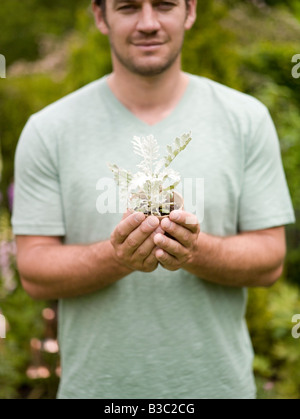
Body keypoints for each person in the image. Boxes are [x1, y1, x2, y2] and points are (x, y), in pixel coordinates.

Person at [12, 0, 295, 399]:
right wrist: (117, 257)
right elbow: (34, 269)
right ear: (99, 16)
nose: (148, 23)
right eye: (128, 7)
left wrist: (194, 250)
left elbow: (270, 259)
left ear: (190, 11)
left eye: (164, 5)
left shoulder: (246, 119)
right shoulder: (49, 130)